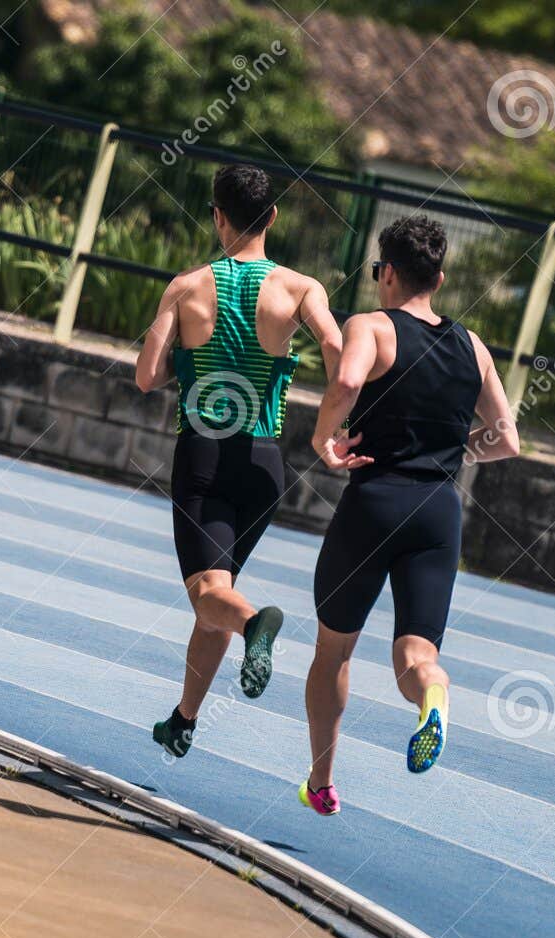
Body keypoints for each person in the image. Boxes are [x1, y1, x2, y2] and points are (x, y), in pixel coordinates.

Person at [300, 214, 520, 815]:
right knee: (416, 658)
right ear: (441, 278)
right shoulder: (472, 345)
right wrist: (447, 451)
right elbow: (506, 440)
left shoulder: (370, 325)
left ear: (387, 272)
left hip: (375, 499)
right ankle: (434, 701)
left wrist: (326, 438)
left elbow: (347, 377)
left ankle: (321, 781)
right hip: (437, 511)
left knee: (334, 650)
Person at [135, 164, 349, 759]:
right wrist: (337, 423)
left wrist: (176, 335)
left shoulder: (186, 287)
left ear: (217, 216)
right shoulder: (302, 289)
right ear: (273, 217)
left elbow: (147, 377)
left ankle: (257, 623)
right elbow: (336, 347)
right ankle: (183, 717)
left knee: (210, 595)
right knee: (216, 594)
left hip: (203, 455)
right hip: (263, 465)